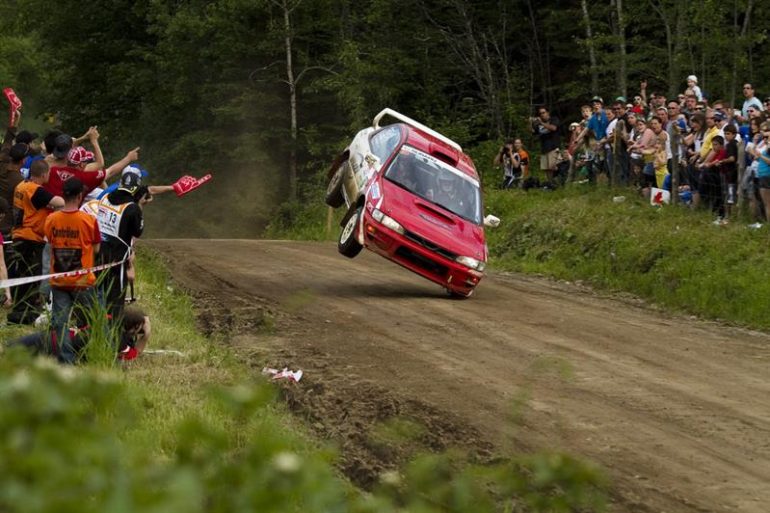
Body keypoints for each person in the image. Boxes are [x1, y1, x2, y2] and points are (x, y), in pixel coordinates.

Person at [43, 178, 102, 364]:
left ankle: (65, 362)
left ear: (63, 195)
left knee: (60, 323)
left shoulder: (51, 219)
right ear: (79, 196)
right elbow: (97, 248)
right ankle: (101, 354)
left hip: (59, 280)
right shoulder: (89, 220)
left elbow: (50, 242)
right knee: (96, 319)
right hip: (82, 281)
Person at [7, 160, 64, 324]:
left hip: (18, 234)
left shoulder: (21, 186)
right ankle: (25, 313)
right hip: (30, 238)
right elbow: (59, 202)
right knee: (32, 277)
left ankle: (19, 310)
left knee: (21, 275)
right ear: (44, 174)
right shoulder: (36, 190)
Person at [6, 306, 151, 362]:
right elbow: (133, 356)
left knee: (9, 349)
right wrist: (146, 335)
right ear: (135, 327)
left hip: (54, 336)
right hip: (58, 347)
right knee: (10, 353)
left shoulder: (107, 319)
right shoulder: (119, 339)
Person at [95, 171, 148, 322]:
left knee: (97, 290)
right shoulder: (132, 208)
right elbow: (137, 232)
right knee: (115, 297)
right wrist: (140, 206)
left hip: (97, 252)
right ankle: (113, 328)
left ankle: (93, 322)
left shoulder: (105, 198)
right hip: (117, 259)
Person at [531, 106, 561, 182]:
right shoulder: (539, 124)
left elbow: (553, 128)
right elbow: (532, 132)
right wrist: (530, 123)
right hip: (544, 148)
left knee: (553, 166)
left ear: (548, 112)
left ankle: (558, 182)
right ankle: (550, 183)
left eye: (543, 112)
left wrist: (541, 122)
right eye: (540, 113)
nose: (542, 114)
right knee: (546, 169)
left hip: (553, 147)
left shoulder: (554, 119)